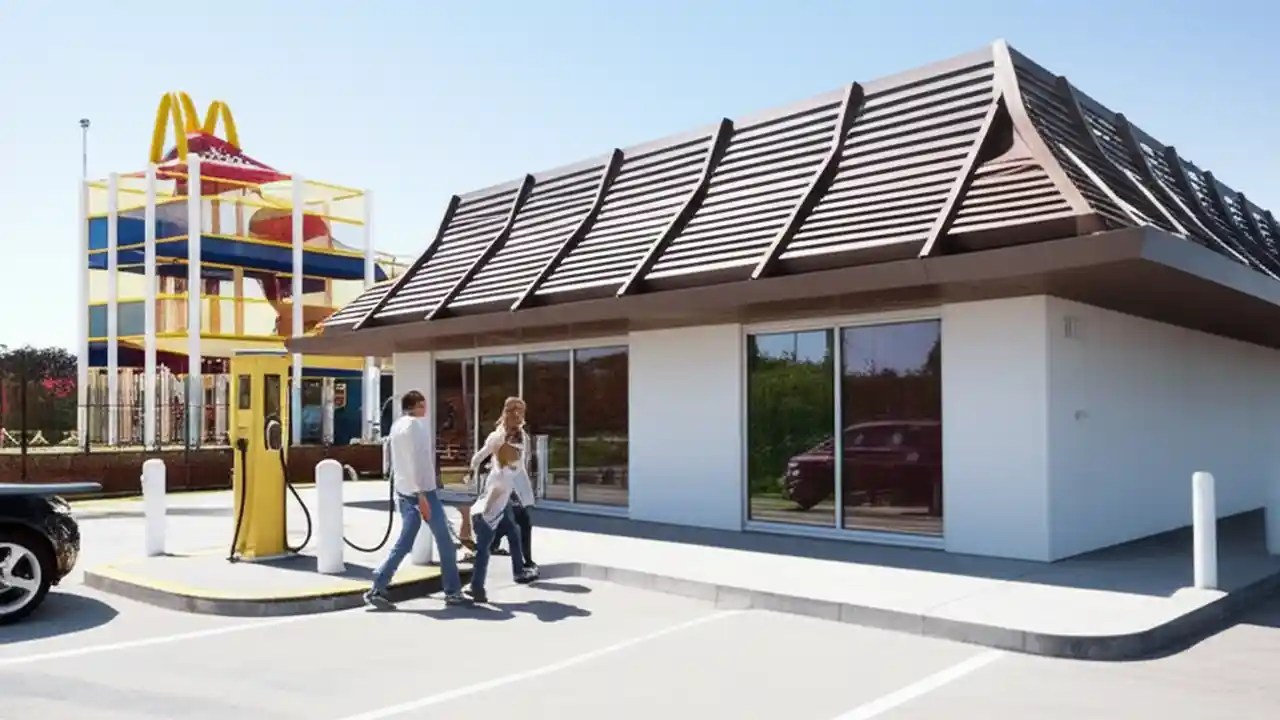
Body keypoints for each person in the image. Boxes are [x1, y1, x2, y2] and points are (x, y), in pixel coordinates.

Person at [364, 390, 470, 609]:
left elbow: (399, 462)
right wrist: (421, 494)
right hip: (423, 493)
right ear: (415, 406)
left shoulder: (397, 426)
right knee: (446, 542)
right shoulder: (415, 427)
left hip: (404, 492)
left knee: (404, 543)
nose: (425, 408)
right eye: (422, 404)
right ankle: (453, 592)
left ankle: (378, 585)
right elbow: (416, 462)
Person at [465, 398, 538, 603]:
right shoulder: (498, 440)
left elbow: (518, 467)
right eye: (514, 411)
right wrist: (472, 472)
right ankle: (477, 586)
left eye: (520, 411)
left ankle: (515, 571)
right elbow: (483, 457)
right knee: (487, 544)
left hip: (503, 495)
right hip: (495, 500)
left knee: (513, 532)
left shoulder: (519, 441)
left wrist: (524, 496)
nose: (518, 415)